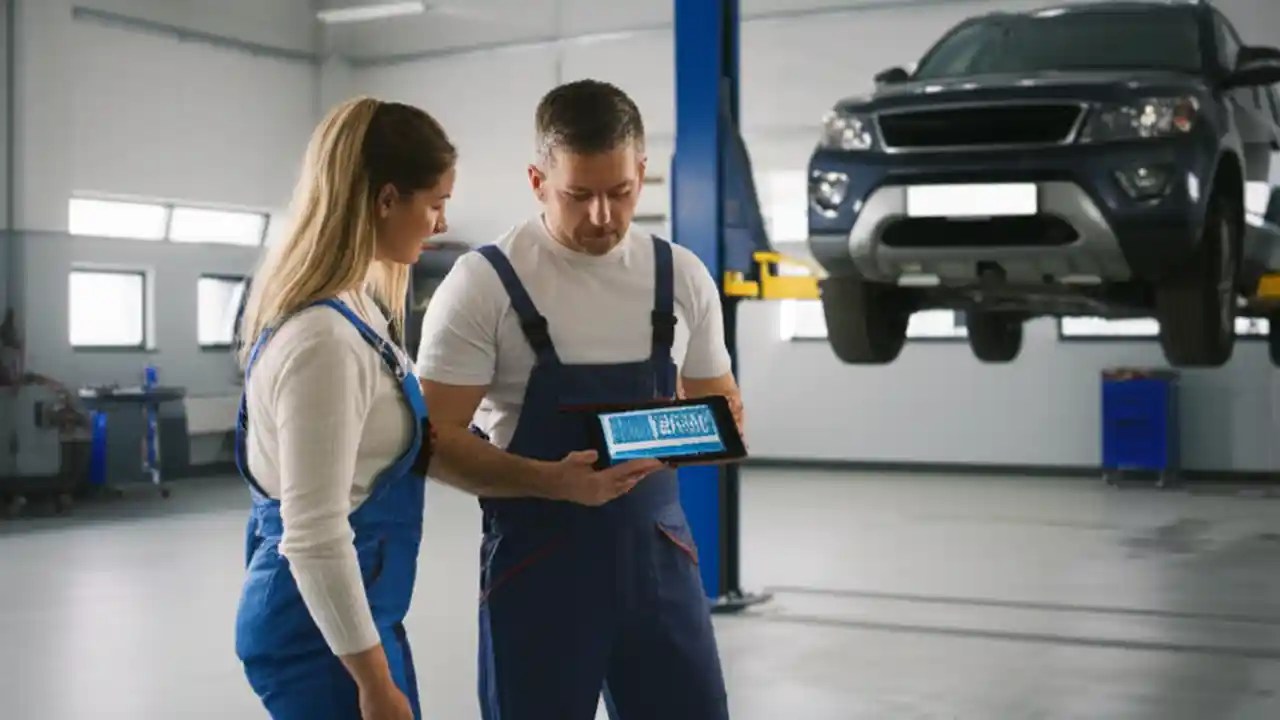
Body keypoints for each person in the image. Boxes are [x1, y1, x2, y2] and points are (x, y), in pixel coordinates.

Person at [232, 97, 662, 720]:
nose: (439, 224)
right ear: (384, 201)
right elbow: (315, 535)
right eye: (434, 203)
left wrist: (551, 480)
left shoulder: (357, 311)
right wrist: (374, 684)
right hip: (317, 633)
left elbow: (390, 461)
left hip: (361, 614)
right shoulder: (321, 342)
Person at [417, 79, 745, 720]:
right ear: (538, 180)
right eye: (579, 195)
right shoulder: (483, 284)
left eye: (621, 192)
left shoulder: (679, 275)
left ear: (643, 173)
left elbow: (722, 420)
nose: (602, 216)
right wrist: (553, 482)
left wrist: (692, 433)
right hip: (539, 570)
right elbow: (434, 442)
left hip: (661, 566)